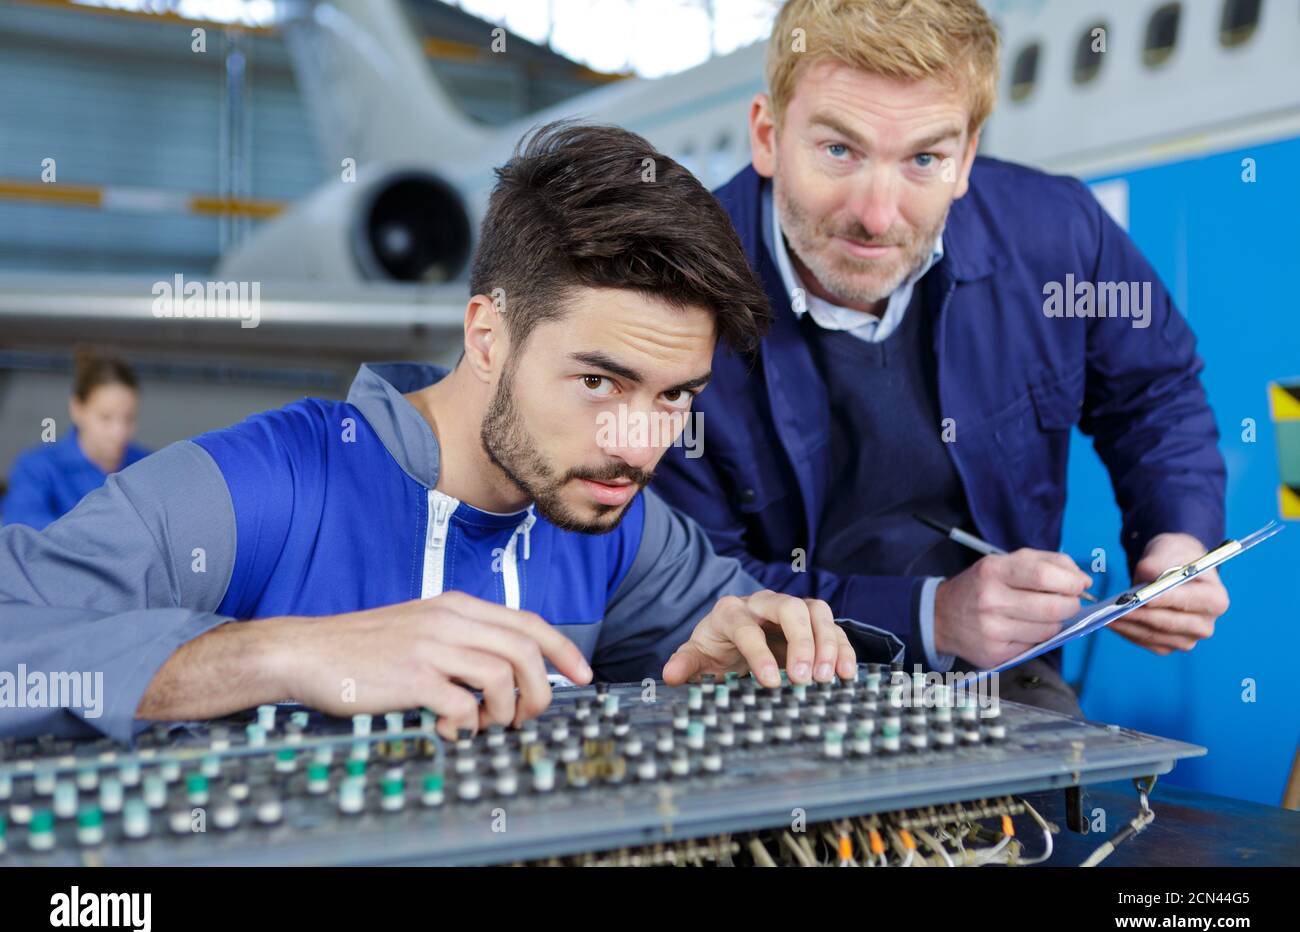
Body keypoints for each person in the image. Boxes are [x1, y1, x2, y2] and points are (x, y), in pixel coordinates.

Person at [0, 122, 899, 746]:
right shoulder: (259, 489)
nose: (638, 443)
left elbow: (732, 640)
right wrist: (280, 652)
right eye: (598, 381)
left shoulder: (622, 526)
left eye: (676, 397)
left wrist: (744, 659)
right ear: (486, 335)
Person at [654, 0, 1229, 716]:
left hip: (999, 678)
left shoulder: (1059, 235)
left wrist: (1177, 536)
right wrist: (932, 615)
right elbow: (680, 584)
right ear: (768, 136)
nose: (877, 214)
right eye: (840, 150)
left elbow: (1155, 394)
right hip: (756, 684)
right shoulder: (668, 302)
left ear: (966, 157)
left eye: (924, 158)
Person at [2, 347, 149, 530]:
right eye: (105, 417)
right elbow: (23, 536)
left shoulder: (148, 467)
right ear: (77, 409)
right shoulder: (37, 469)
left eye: (129, 418)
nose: (119, 432)